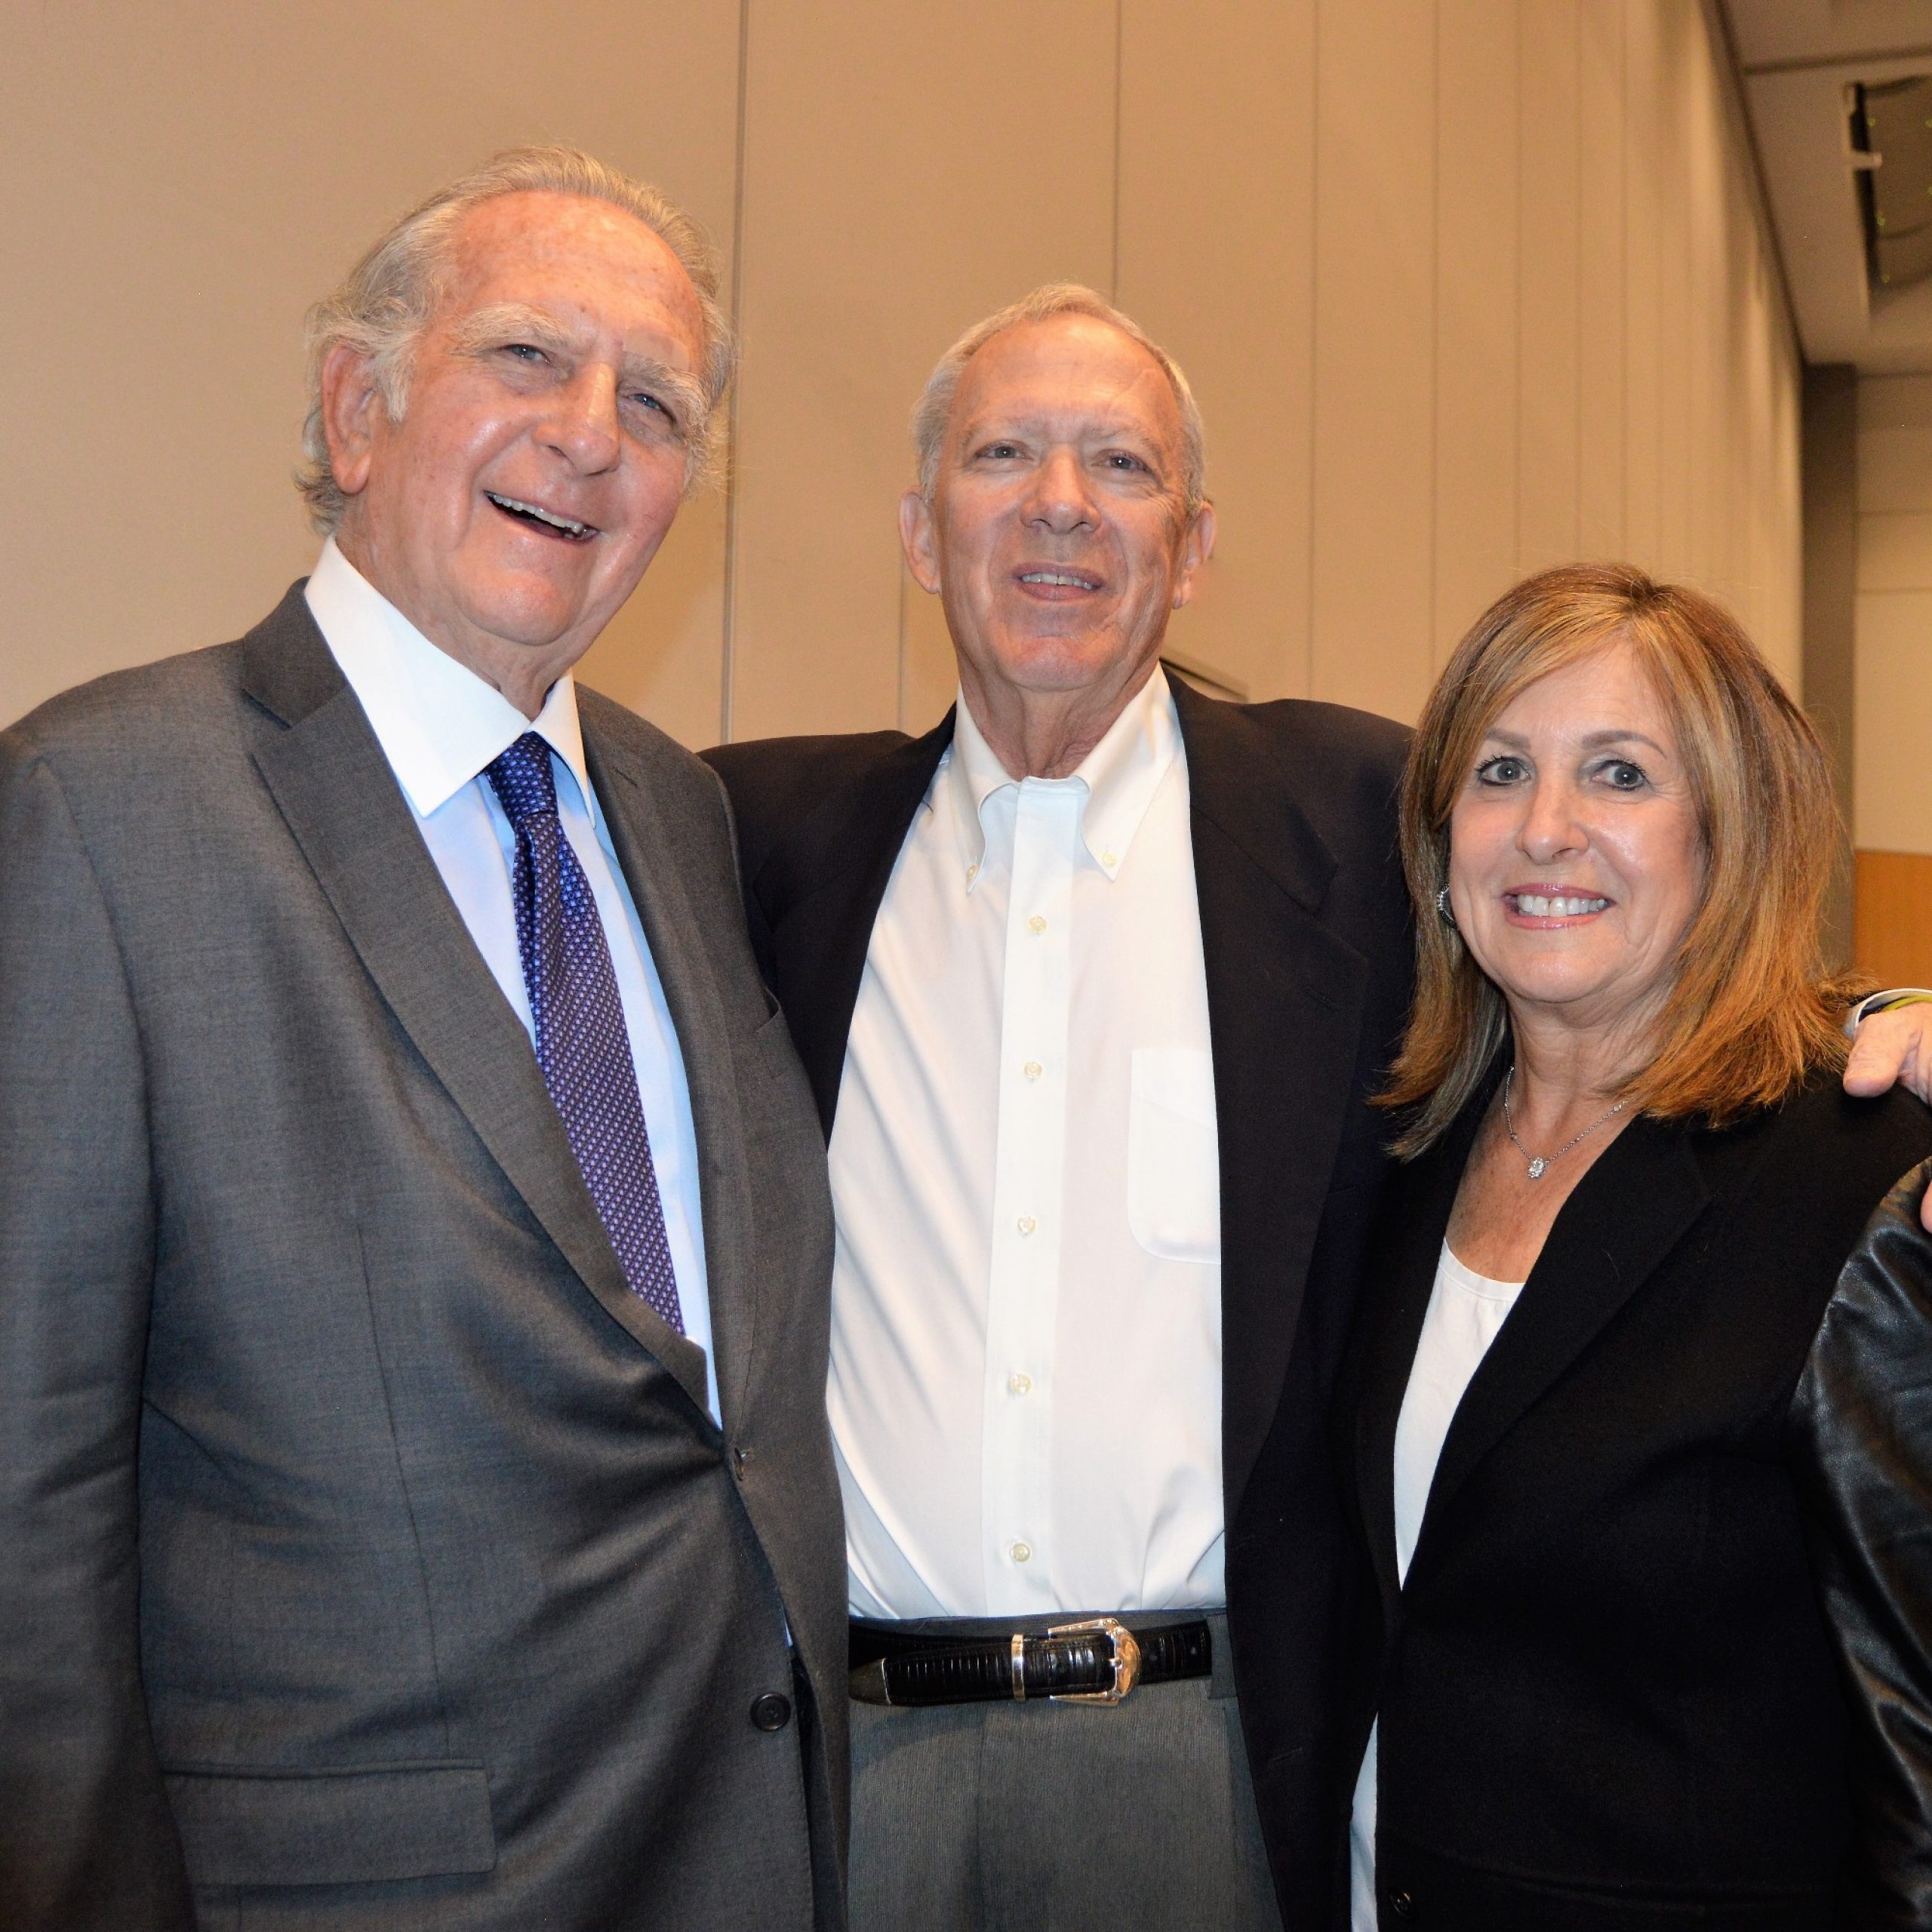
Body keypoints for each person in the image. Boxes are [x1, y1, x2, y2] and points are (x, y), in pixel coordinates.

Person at [0, 148, 845, 1931]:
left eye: (658, 401)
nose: (592, 433)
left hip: (731, 1845)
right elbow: (27, 1494)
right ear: (355, 408)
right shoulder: (107, 805)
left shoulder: (674, 815)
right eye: (529, 358)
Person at [706, 284, 1416, 1930]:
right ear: (915, 526)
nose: (1059, 504)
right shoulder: (756, 841)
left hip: (1206, 1762)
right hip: (846, 1769)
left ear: (1194, 540)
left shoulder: (1360, 822)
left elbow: (1605, 934)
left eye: (1121, 463)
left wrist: (1875, 1030)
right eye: (1002, 452)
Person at [1341, 564, 1932, 1929]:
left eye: (1618, 775)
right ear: (1440, 849)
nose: (1546, 830)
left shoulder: (1857, 1185)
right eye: (1499, 772)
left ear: (1732, 831)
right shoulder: (1397, 1161)